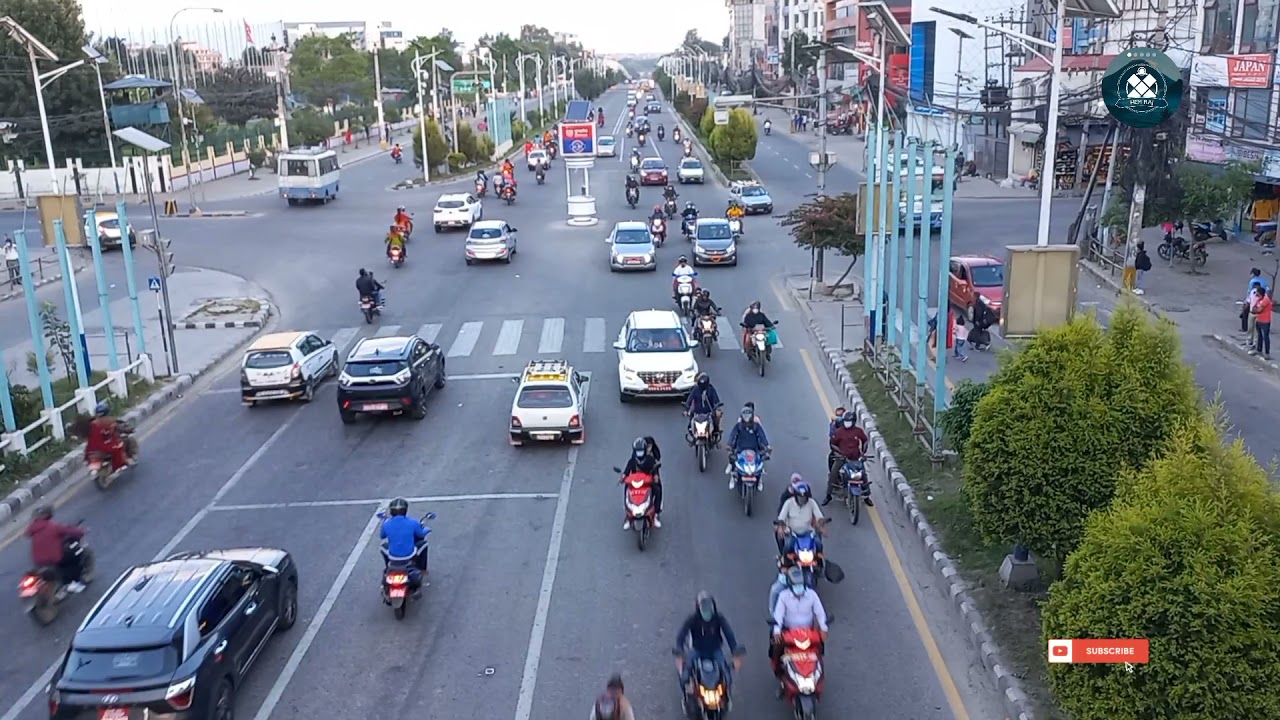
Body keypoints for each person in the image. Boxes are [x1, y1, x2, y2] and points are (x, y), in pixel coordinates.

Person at [673, 592, 745, 697]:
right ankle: (687, 696)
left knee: (726, 675)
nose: (707, 612)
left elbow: (729, 635)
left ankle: (726, 697)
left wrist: (735, 651)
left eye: (709, 609)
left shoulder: (719, 618)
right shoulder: (692, 619)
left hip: (715, 650)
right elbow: (681, 635)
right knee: (685, 674)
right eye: (704, 609)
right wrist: (679, 652)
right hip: (697, 650)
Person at [770, 567, 829, 678]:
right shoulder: (783, 597)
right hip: (788, 632)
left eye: (800, 585)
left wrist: (823, 628)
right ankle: (778, 669)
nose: (799, 588)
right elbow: (778, 615)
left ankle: (818, 670)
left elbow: (820, 612)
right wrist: (777, 630)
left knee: (819, 648)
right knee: (776, 646)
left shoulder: (812, 595)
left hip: (809, 632)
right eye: (796, 586)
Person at [26, 506, 86, 592]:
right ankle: (72, 582)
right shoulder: (53, 526)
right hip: (53, 559)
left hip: (38, 562)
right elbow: (70, 531)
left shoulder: (33, 529)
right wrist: (82, 531)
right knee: (75, 555)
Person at [379, 498, 430, 590]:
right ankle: (423, 569)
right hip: (409, 555)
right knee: (424, 544)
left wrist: (384, 523)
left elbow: (382, 536)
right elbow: (421, 534)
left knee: (383, 547)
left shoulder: (386, 524)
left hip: (393, 557)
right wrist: (426, 529)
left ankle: (388, 566)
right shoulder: (413, 522)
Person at [826, 410, 871, 507]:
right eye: (845, 421)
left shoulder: (858, 431)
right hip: (842, 458)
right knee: (833, 473)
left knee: (863, 474)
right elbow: (833, 444)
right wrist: (838, 453)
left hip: (856, 458)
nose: (847, 423)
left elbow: (865, 441)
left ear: (853, 421)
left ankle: (867, 496)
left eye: (849, 421)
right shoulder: (839, 432)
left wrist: (863, 453)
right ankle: (828, 495)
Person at [775, 482, 826, 557]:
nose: (802, 500)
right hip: (793, 534)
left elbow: (819, 516)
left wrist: (822, 525)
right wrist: (781, 527)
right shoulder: (788, 503)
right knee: (787, 547)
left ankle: (820, 564)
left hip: (808, 533)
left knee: (818, 544)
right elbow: (782, 517)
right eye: (800, 497)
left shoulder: (812, 502)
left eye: (804, 498)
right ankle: (784, 561)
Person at [621, 437, 662, 527]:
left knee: (658, 491)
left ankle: (656, 515)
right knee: (627, 490)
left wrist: (655, 476)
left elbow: (655, 469)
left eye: (641, 451)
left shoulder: (650, 459)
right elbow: (627, 470)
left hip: (647, 482)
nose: (639, 454)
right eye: (637, 451)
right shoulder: (632, 460)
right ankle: (628, 516)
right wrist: (623, 476)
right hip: (635, 482)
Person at [725, 406, 770, 487]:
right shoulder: (738, 426)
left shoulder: (756, 426)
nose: (747, 419)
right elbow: (732, 435)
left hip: (754, 450)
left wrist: (767, 446)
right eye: (745, 417)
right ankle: (733, 477)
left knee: (759, 463)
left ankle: (759, 480)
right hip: (740, 450)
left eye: (748, 416)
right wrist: (729, 445)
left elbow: (762, 436)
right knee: (734, 462)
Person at [86, 401, 132, 472]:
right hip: (107, 446)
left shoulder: (91, 423)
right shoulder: (110, 421)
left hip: (93, 449)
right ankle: (121, 465)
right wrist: (129, 430)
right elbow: (121, 428)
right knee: (120, 446)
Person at [686, 372, 723, 439]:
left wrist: (717, 408)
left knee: (716, 422)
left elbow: (716, 400)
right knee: (690, 426)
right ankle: (693, 436)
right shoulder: (695, 390)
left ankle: (716, 433)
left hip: (709, 413)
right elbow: (690, 399)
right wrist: (686, 409)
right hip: (697, 413)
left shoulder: (711, 390)